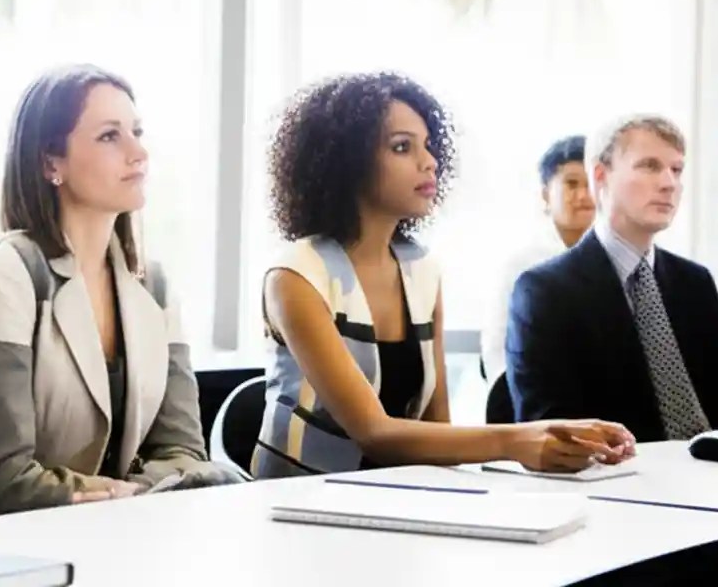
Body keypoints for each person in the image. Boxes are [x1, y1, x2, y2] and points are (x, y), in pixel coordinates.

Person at [251, 72, 635, 479]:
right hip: (299, 501)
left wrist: (544, 445)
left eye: (429, 147)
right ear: (346, 163)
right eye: (402, 147)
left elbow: (438, 432)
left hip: (403, 492)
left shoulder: (422, 271)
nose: (429, 162)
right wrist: (516, 441)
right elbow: (372, 432)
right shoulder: (295, 276)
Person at [0, 64, 241, 520]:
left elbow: (183, 453)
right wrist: (132, 497)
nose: (138, 152)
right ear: (49, 162)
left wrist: (129, 500)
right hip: (0, 539)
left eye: (136, 131)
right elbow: (3, 479)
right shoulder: (1, 276)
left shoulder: (153, 285)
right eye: (109, 136)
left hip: (114, 529)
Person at [507, 115, 718, 441]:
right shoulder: (545, 291)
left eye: (676, 170)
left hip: (714, 469)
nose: (669, 183)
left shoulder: (694, 282)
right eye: (650, 166)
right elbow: (551, 426)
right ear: (600, 176)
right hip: (621, 479)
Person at [480, 136, 594, 383]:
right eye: (572, 184)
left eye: (591, 184)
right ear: (545, 194)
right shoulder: (522, 263)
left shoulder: (615, 257)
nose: (584, 195)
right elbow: (496, 345)